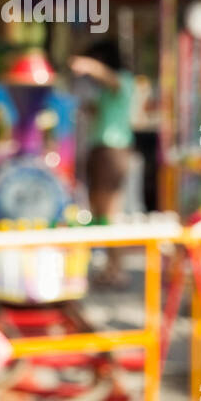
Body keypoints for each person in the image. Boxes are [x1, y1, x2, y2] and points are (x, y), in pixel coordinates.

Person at [69, 38, 135, 287]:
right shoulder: (106, 91)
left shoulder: (123, 81)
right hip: (101, 150)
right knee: (100, 213)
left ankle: (117, 269)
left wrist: (88, 65)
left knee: (110, 213)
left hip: (112, 151)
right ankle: (110, 267)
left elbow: (111, 80)